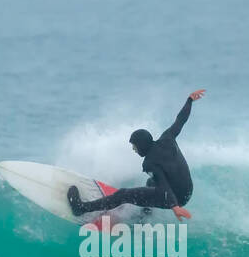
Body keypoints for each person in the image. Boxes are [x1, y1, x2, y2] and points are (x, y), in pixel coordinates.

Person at [67, 89, 205, 221]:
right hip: (187, 190)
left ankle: (82, 208)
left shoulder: (149, 163)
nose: (134, 150)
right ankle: (145, 215)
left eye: (135, 146)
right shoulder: (167, 138)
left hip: (177, 197)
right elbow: (180, 120)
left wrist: (175, 207)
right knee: (151, 183)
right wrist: (190, 100)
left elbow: (164, 186)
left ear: (141, 145)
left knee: (124, 194)